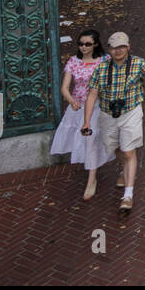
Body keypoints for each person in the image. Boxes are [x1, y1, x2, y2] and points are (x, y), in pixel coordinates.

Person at [80, 31, 145, 212]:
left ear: (128, 47)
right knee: (115, 147)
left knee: (129, 151)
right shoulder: (101, 68)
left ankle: (128, 195)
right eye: (114, 48)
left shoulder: (138, 64)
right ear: (109, 49)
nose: (118, 51)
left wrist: (139, 87)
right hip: (108, 114)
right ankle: (126, 168)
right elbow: (92, 95)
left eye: (122, 47)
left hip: (131, 112)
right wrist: (86, 121)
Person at [51, 28, 117, 200]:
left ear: (95, 44)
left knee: (91, 139)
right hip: (78, 106)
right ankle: (94, 170)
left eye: (87, 44)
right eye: (80, 44)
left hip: (98, 106)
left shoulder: (105, 60)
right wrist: (71, 100)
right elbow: (65, 87)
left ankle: (91, 180)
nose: (83, 47)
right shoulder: (73, 61)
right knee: (88, 139)